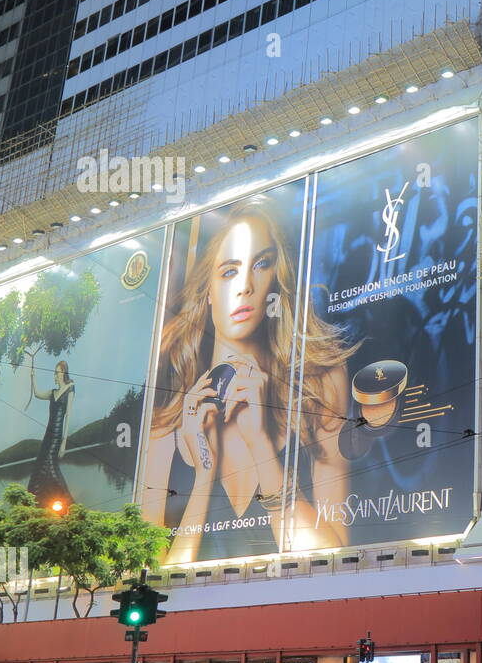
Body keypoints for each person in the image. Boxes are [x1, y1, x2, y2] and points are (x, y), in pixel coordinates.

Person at [144, 198, 360, 563]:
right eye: (228, 271)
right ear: (207, 290)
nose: (245, 286)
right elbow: (151, 576)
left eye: (261, 264)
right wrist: (203, 476)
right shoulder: (167, 421)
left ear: (279, 275)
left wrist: (261, 446)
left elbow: (331, 556)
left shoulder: (321, 384)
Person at [27, 359, 75, 511]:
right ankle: (34, 502)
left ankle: (69, 505)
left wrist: (64, 442)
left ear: (63, 372)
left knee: (51, 468)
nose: (55, 374)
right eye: (55, 372)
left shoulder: (70, 388)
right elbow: (36, 394)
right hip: (47, 436)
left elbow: (68, 416)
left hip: (56, 437)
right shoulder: (52, 392)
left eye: (57, 371)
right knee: (39, 466)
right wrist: (32, 378)